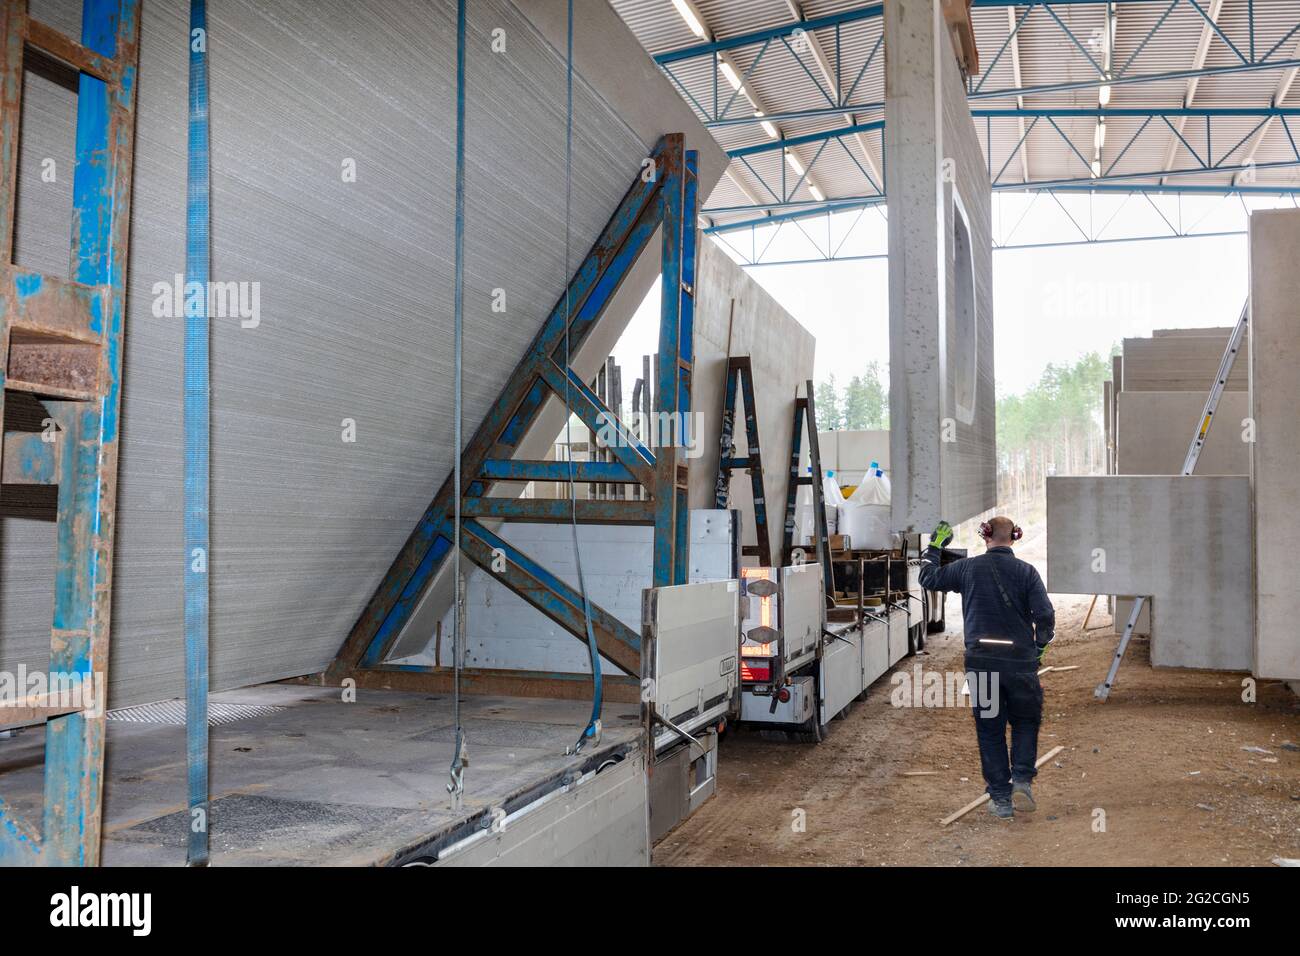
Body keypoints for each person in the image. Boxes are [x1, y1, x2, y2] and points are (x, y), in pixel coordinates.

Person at [919, 516, 1055, 819]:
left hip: (982, 664)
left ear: (985, 536)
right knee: (1025, 723)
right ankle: (1022, 780)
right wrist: (1040, 649)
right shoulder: (1027, 572)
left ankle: (1001, 799)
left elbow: (928, 579)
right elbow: (1045, 616)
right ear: (1015, 537)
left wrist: (933, 546)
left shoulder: (969, 568)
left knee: (991, 730)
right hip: (1021, 663)